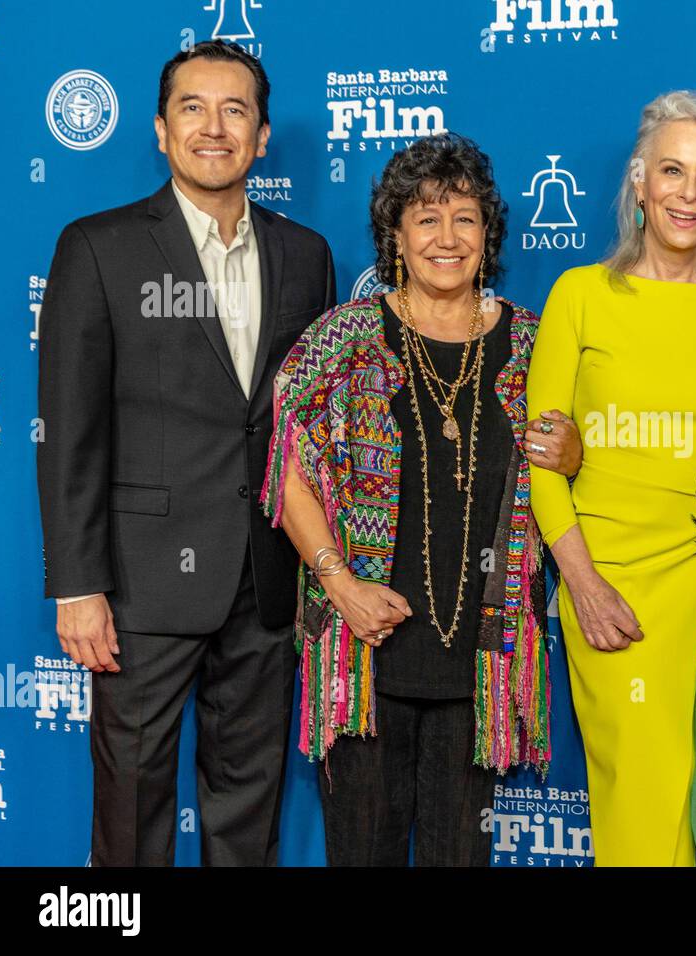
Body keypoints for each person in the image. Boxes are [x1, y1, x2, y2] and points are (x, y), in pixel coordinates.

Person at [35, 40, 336, 866]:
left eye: (235, 110)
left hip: (267, 581)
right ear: (162, 131)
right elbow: (69, 429)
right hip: (137, 589)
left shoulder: (305, 255)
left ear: (263, 136)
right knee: (130, 815)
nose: (215, 127)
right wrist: (78, 586)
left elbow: (304, 421)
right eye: (194, 109)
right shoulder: (98, 247)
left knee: (250, 811)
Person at [261, 133, 569, 866]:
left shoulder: (534, 344)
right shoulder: (347, 338)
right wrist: (340, 584)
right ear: (395, 234)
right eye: (426, 218)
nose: (447, 237)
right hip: (367, 658)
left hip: (480, 666)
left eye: (465, 218)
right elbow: (287, 467)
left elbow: (570, 456)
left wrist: (575, 452)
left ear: (487, 235)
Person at [525, 91, 696, 866]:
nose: (688, 193)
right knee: (643, 805)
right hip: (613, 591)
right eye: (672, 171)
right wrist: (580, 583)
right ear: (638, 184)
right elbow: (544, 455)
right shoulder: (580, 296)